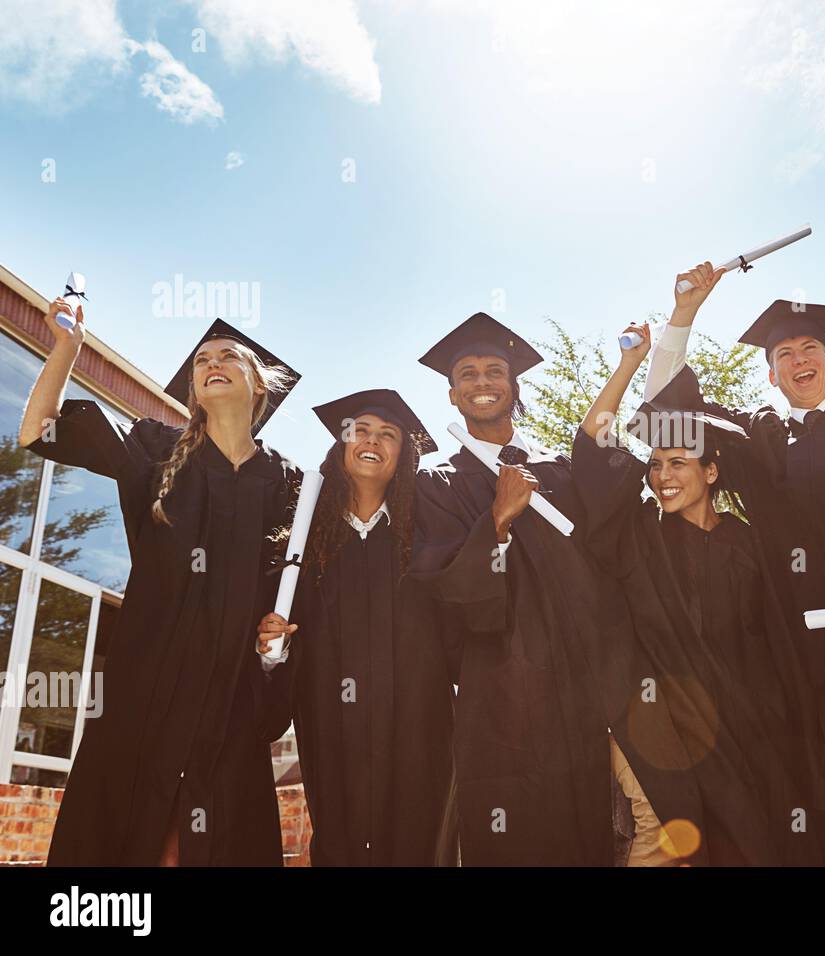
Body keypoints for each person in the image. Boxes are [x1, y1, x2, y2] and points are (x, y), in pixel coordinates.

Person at [644, 265, 825, 866]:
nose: (799, 359)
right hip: (794, 666)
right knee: (823, 831)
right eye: (784, 353)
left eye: (810, 349)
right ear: (771, 373)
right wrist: (685, 313)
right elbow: (668, 405)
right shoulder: (756, 437)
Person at [20, 312, 299, 866]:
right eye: (202, 360)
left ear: (259, 384)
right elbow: (37, 432)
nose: (212, 364)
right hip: (145, 684)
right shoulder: (155, 446)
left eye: (227, 357)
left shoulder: (291, 482)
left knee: (211, 839)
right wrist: (68, 348)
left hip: (232, 698)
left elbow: (293, 595)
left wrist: (278, 642)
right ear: (193, 389)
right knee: (123, 833)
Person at [571, 322, 824, 865]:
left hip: (756, 729)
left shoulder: (749, 543)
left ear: (711, 471)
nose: (662, 476)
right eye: (656, 465)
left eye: (678, 463)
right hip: (673, 729)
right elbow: (595, 444)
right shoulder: (638, 537)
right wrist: (628, 366)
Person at [408, 312, 618, 866]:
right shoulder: (436, 483)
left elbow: (606, 562)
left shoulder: (561, 472)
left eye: (494, 371)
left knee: (585, 831)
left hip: (576, 686)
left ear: (514, 385)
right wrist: (496, 522)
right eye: (468, 374)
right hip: (493, 692)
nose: (482, 382)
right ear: (452, 396)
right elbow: (444, 588)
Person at [256, 389, 457, 866]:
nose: (373, 441)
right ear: (340, 446)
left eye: (388, 435)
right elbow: (280, 643)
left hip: (417, 722)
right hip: (331, 719)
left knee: (419, 837)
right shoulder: (303, 547)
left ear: (403, 455)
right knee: (340, 838)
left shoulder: (425, 539)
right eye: (360, 431)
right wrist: (273, 647)